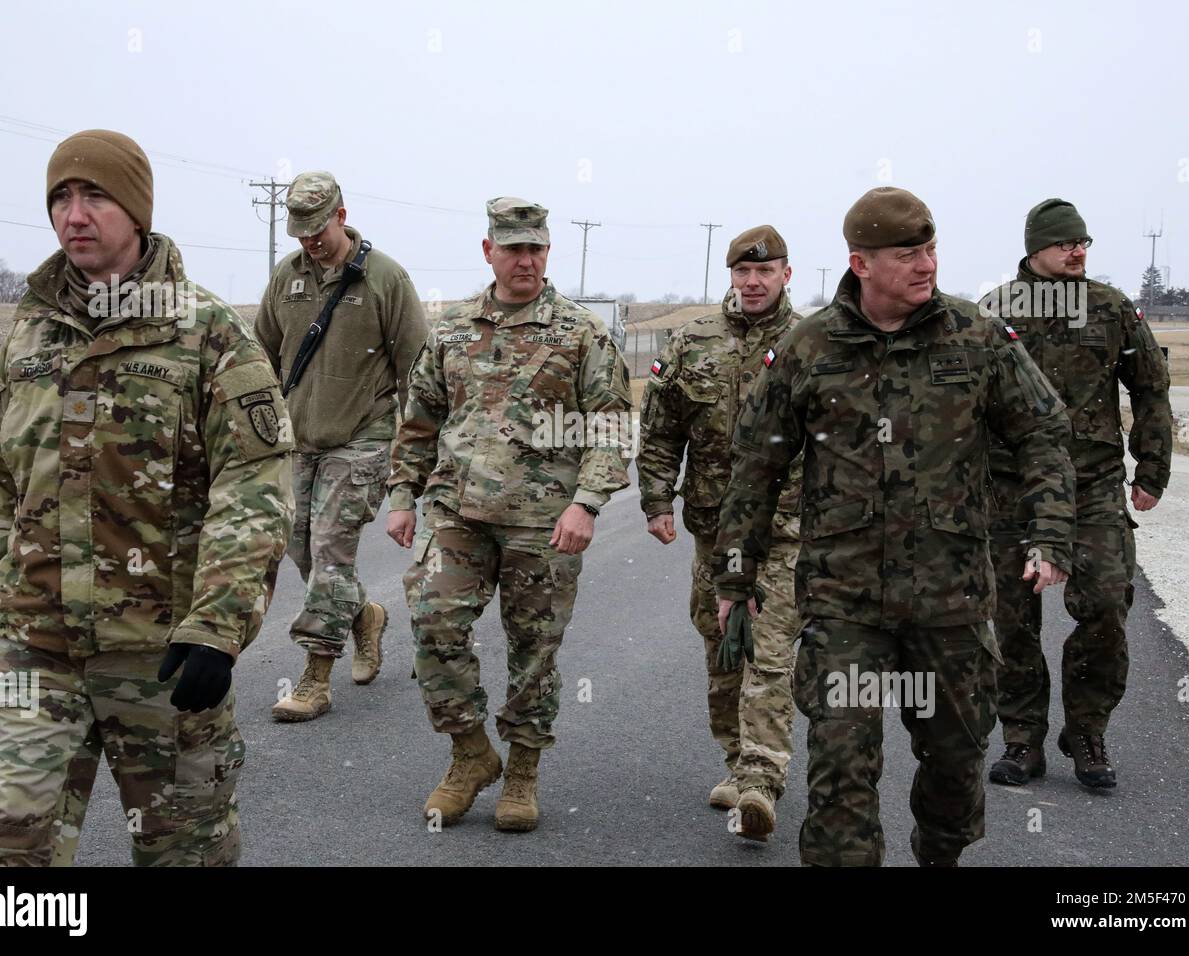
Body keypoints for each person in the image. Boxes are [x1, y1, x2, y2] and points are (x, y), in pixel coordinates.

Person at [713, 186, 1076, 866]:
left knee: (955, 767)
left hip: (952, 603)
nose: (926, 265)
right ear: (862, 263)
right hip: (845, 602)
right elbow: (756, 465)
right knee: (841, 776)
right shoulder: (810, 348)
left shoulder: (975, 337)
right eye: (907, 253)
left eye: (931, 250)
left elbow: (1044, 431)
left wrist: (1051, 531)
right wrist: (736, 571)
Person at [0, 129, 293, 866]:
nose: (74, 215)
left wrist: (217, 625)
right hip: (36, 650)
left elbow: (256, 485)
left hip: (163, 655)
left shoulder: (209, 337)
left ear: (137, 210)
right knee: (5, 855)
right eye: (60, 199)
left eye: (95, 196)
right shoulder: (29, 338)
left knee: (186, 852)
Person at [385, 197, 630, 832]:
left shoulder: (581, 335)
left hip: (544, 520)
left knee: (534, 651)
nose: (526, 259)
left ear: (548, 253)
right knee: (433, 627)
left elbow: (609, 428)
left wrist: (587, 503)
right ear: (489, 251)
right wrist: (403, 495)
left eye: (536, 249)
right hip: (457, 512)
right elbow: (419, 420)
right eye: (514, 248)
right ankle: (470, 753)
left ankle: (522, 768)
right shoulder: (452, 329)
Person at [980, 198, 1172, 789]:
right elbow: (961, 401)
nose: (1078, 250)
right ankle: (1022, 739)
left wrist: (1151, 468)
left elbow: (1150, 387)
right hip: (1013, 490)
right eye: (1066, 243)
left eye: (1084, 241)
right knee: (1012, 620)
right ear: (1035, 247)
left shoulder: (1112, 309)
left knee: (1108, 606)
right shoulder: (995, 312)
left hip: (1092, 485)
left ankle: (1087, 731)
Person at [637, 225, 807, 842]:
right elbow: (660, 430)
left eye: (766, 271)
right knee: (721, 645)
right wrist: (655, 498)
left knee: (768, 648)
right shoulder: (691, 342)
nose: (754, 282)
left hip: (787, 527)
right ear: (730, 276)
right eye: (743, 273)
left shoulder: (810, 343)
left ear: (787, 274)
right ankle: (737, 760)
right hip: (713, 527)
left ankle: (762, 780)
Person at [255, 170, 427, 721]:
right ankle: (364, 617)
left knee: (330, 551)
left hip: (363, 439)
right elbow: (259, 356)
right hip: (298, 443)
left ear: (342, 216)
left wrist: (413, 458)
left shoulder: (384, 278)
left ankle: (314, 676)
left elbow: (417, 373)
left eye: (318, 228)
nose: (310, 240)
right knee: (302, 551)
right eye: (300, 231)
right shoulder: (287, 277)